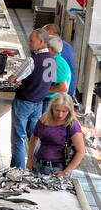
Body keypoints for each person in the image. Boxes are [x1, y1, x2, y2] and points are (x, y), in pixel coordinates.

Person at [8, 28, 57, 168]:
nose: (29, 43)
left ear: (41, 42)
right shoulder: (52, 60)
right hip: (39, 104)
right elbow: (43, 80)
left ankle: (17, 169)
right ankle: (37, 167)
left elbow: (12, 79)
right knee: (34, 137)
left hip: (24, 102)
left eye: (31, 41)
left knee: (18, 138)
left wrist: (17, 80)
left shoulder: (32, 60)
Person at [26, 94, 85, 178]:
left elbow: (81, 152)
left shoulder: (72, 125)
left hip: (58, 169)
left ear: (69, 111)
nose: (60, 115)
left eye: (64, 111)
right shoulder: (44, 118)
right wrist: (29, 158)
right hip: (38, 165)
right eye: (57, 110)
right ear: (52, 108)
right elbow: (33, 138)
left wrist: (66, 172)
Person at [42, 23, 76, 96]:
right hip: (67, 87)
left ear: (50, 32)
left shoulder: (57, 54)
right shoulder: (66, 46)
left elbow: (62, 86)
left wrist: (44, 89)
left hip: (59, 94)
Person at [42, 33, 72, 101]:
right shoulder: (55, 60)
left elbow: (63, 87)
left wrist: (44, 89)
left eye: (45, 47)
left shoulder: (56, 64)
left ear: (52, 49)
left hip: (51, 99)